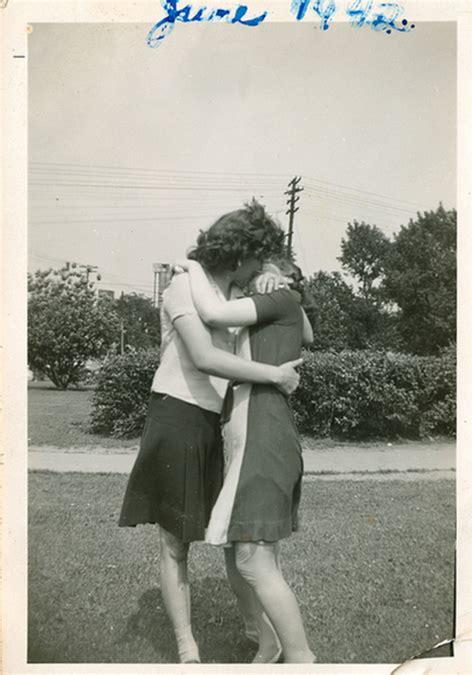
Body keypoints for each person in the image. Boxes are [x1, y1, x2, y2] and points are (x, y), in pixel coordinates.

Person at [118, 200, 301, 664]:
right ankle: (187, 648)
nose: (262, 263)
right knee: (175, 542)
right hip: (177, 416)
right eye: (260, 256)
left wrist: (275, 275)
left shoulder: (229, 298)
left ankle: (256, 633)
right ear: (240, 254)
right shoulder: (184, 286)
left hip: (215, 422)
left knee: (233, 535)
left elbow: (299, 322)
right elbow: (203, 357)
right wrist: (274, 375)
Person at [180, 254, 315, 664]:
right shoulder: (276, 304)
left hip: (263, 431)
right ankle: (268, 640)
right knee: (235, 548)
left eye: (257, 271)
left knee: (253, 559)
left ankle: (302, 659)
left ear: (283, 276)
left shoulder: (282, 298)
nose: (248, 278)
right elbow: (306, 334)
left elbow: (215, 311)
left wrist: (192, 267)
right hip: (247, 428)